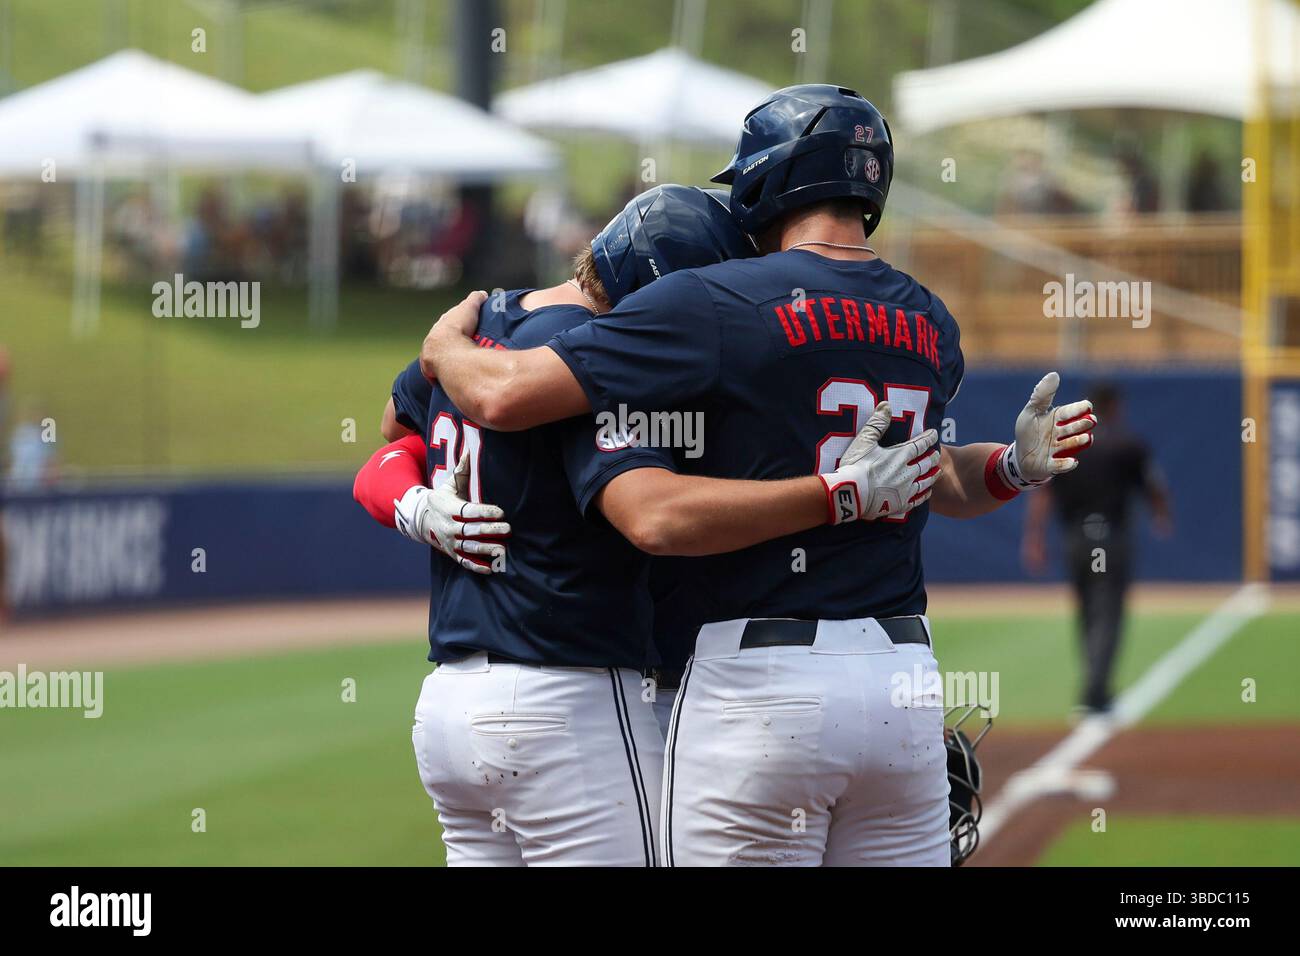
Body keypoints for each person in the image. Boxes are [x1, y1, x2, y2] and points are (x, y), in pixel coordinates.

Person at [419, 85, 1098, 866]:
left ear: (772, 175)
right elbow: (932, 475)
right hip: (901, 679)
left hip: (761, 682)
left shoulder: (710, 299)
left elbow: (503, 395)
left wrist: (442, 348)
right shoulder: (929, 320)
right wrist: (1009, 468)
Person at [353, 184, 940, 867]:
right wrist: (831, 495)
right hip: (566, 692)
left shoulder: (485, 326)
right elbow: (651, 515)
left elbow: (393, 438)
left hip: (451, 703)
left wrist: (414, 505)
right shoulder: (590, 361)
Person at [1022, 383, 1171, 716]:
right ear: (1115, 405)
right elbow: (1155, 487)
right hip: (1111, 539)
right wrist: (1161, 516)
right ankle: (1095, 689)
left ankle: (1094, 682)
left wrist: (1034, 538)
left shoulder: (1067, 447)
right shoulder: (1129, 444)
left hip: (1076, 539)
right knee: (1107, 613)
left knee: (1087, 611)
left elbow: (1042, 494)